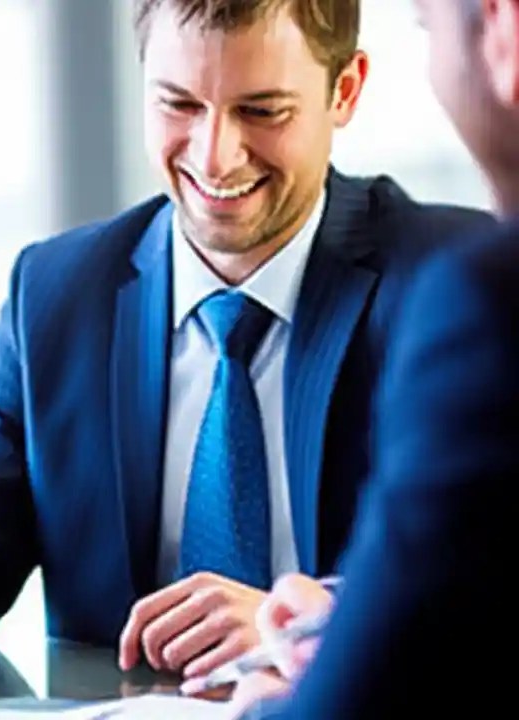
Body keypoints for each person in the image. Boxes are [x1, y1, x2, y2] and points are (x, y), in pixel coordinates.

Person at [0, 0, 493, 705]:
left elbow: (494, 559)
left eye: (262, 111)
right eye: (179, 104)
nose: (214, 155)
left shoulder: (461, 281)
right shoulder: (56, 294)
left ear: (345, 92)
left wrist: (309, 627)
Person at [226, 0, 519, 715]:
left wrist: (263, 707)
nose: (217, 155)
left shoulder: (486, 301)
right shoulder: (55, 286)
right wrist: (353, 611)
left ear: (503, 27)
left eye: (428, 27)